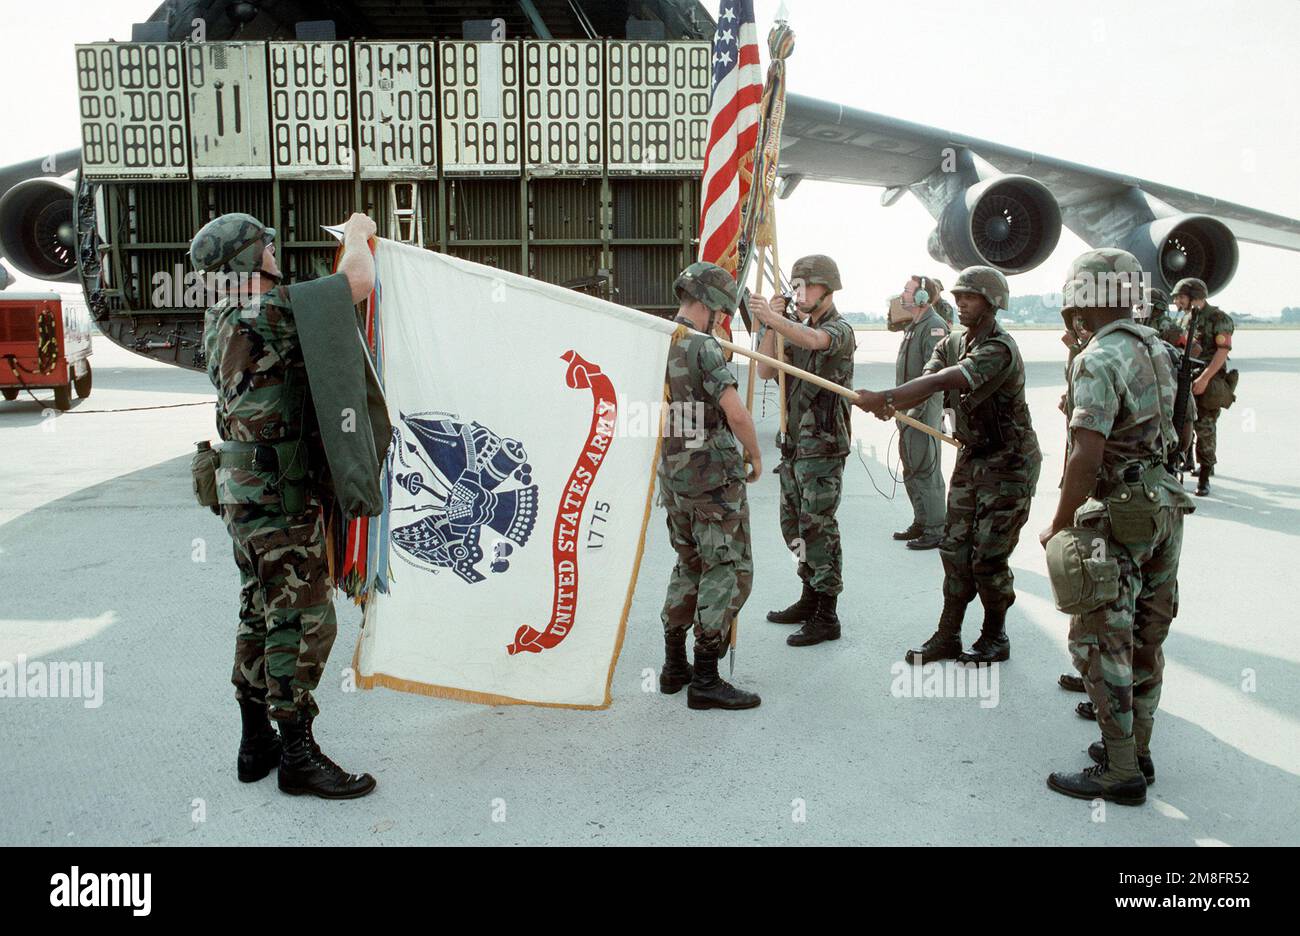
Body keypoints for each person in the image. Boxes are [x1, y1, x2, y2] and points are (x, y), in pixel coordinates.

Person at [194, 211, 380, 799]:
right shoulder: (269, 310)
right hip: (278, 494)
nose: (275, 252)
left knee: (258, 604)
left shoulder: (219, 316)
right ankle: (298, 753)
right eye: (266, 245)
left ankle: (256, 744)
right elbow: (358, 283)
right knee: (303, 617)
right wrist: (355, 233)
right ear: (250, 258)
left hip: (241, 490)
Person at [1042, 249, 1194, 805]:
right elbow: (1183, 426)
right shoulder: (1157, 346)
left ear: (1086, 294)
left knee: (1103, 637)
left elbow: (1085, 455)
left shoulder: (1099, 356)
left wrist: (1058, 526)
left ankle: (1120, 770)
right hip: (1163, 503)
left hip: (1119, 510)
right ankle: (1138, 751)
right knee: (1149, 633)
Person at [855, 266, 1041, 665]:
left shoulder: (999, 348)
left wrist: (887, 396)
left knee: (989, 556)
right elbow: (928, 377)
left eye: (970, 297)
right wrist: (892, 404)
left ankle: (995, 636)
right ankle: (948, 635)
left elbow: (945, 382)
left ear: (992, 303)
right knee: (955, 550)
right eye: (958, 296)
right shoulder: (953, 343)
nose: (961, 302)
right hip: (973, 456)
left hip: (1010, 463)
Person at [657, 261, 763, 710]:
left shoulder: (658, 337)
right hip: (712, 481)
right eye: (720, 309)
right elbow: (735, 412)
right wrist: (755, 454)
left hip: (674, 476)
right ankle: (705, 678)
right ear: (708, 303)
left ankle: (673, 665)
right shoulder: (703, 346)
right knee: (727, 567)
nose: (722, 317)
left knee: (689, 563)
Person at [747, 255, 857, 647]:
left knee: (819, 528)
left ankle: (827, 613)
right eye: (795, 286)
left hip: (823, 447)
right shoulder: (794, 328)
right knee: (793, 528)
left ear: (828, 289)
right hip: (795, 447)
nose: (800, 293)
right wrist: (769, 323)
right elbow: (764, 369)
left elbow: (814, 342)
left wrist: (777, 321)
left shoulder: (838, 330)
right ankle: (809, 596)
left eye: (807, 286)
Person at [890, 275, 951, 550]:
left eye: (907, 290)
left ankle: (937, 528)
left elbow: (935, 374)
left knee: (926, 468)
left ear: (922, 297)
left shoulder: (934, 326)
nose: (902, 294)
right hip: (907, 410)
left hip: (922, 411)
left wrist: (917, 408)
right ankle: (922, 521)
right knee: (911, 467)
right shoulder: (914, 325)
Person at [1171, 277, 1236, 496]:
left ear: (1194, 296)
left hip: (1210, 378)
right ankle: (1188, 461)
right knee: (1183, 420)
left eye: (1181, 297)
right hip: (1188, 376)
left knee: (1205, 426)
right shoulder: (1185, 319)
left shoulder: (1219, 318)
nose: (1178, 302)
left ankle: (1205, 475)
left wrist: (1205, 379)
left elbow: (1222, 351)